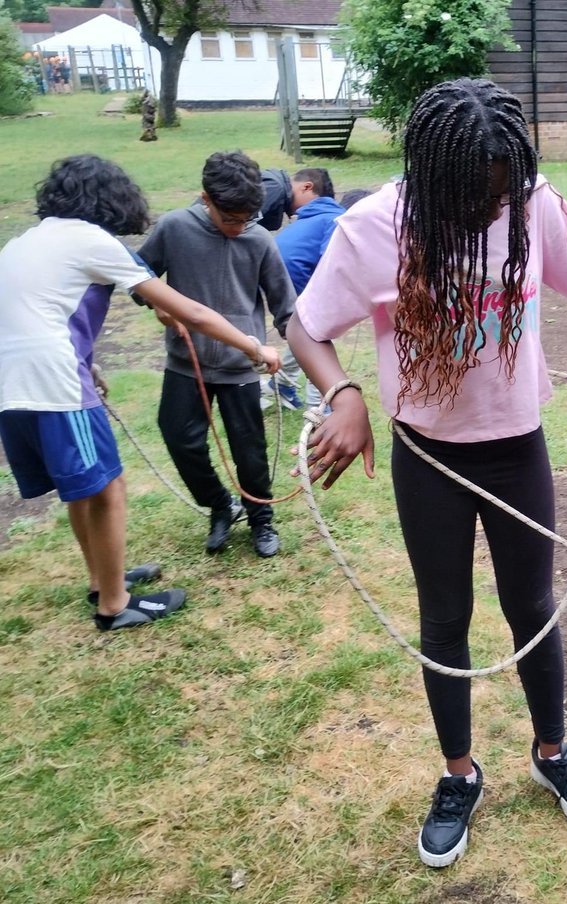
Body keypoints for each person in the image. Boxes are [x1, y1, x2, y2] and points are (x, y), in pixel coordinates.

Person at [288, 78, 567, 868]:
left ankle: (552, 752)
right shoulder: (373, 227)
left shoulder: (532, 200)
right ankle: (458, 775)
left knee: (534, 608)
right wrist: (342, 394)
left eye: (503, 194)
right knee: (444, 619)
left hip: (517, 447)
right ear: (433, 177)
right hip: (427, 454)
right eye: (476, 200)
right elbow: (306, 328)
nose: (492, 212)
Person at [0, 155, 281, 631]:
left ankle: (102, 579)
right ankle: (114, 604)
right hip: (56, 386)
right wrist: (255, 345)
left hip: (16, 388)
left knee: (82, 489)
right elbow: (190, 312)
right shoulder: (89, 239)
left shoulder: (26, 242)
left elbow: (38, 312)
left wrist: (87, 365)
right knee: (108, 489)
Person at [138, 151, 296, 559]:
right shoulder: (174, 227)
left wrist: (302, 348)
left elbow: (286, 307)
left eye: (247, 219)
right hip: (186, 363)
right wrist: (156, 302)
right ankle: (219, 504)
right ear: (205, 198)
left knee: (250, 449)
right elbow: (137, 273)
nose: (239, 227)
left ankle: (261, 517)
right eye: (231, 220)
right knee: (179, 437)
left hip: (242, 365)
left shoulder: (259, 239)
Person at [265, 168, 344, 410]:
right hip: (289, 287)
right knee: (313, 338)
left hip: (291, 288)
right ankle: (317, 405)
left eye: (289, 188)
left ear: (307, 187)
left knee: (308, 335)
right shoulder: (318, 218)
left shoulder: (332, 216)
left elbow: (332, 257)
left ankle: (293, 391)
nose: (283, 197)